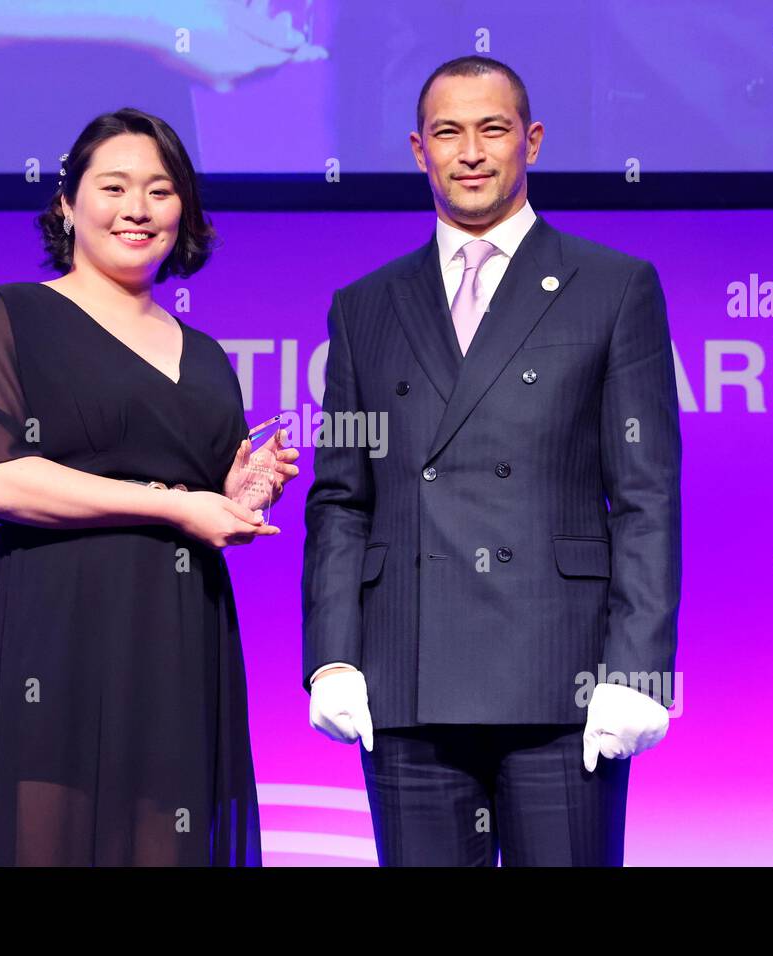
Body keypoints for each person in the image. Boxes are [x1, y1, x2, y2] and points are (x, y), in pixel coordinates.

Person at [302, 56, 680, 866]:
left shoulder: (613, 288)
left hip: (565, 678)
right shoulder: (364, 306)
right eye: (448, 132)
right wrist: (332, 657)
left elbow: (646, 497)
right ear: (417, 150)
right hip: (406, 677)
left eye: (493, 129)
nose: (470, 151)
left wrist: (639, 673)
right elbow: (342, 497)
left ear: (532, 141)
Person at [0, 107, 298, 866]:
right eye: (114, 187)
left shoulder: (204, 355)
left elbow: (205, 498)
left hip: (174, 635)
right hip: (55, 630)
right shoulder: (13, 315)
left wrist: (241, 492)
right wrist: (171, 503)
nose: (138, 209)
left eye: (161, 190)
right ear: (67, 204)